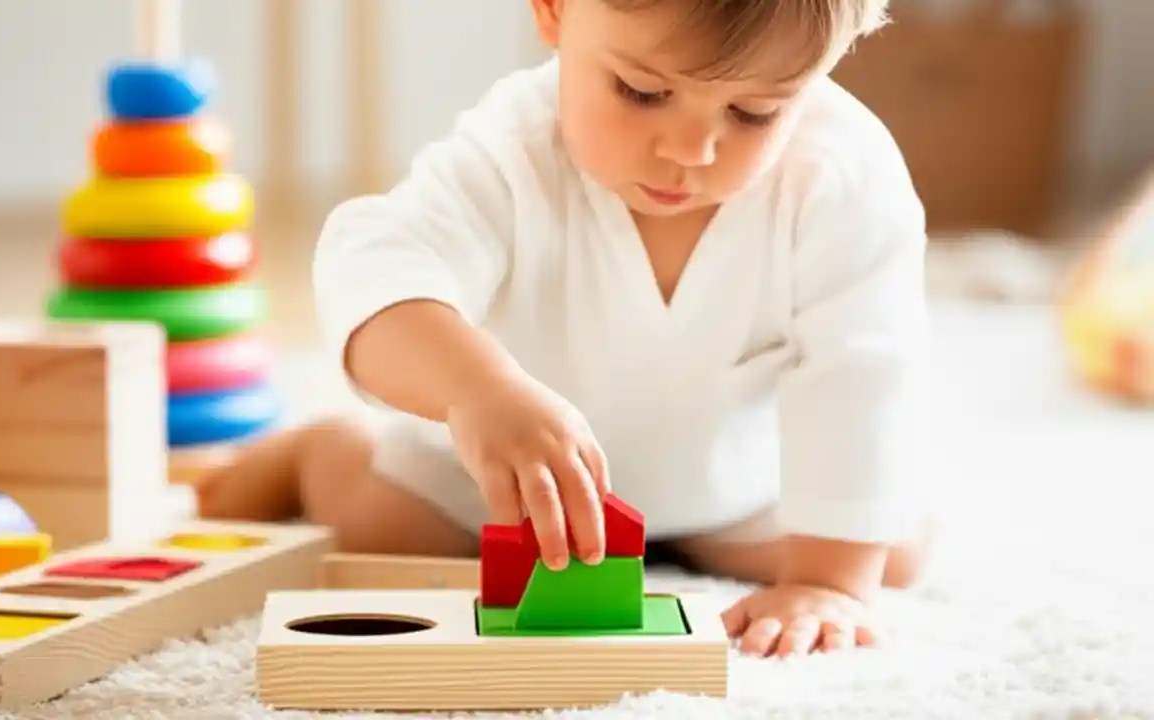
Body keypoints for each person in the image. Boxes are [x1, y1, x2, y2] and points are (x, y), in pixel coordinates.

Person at [198, 0, 933, 658]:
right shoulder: (513, 147)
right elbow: (375, 261)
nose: (690, 150)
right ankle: (316, 453)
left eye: (755, 112)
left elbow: (863, 370)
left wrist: (827, 582)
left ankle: (713, 542)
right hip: (508, 487)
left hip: (723, 486)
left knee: (886, 549)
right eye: (644, 93)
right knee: (383, 527)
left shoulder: (842, 173)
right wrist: (474, 388)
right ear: (553, 11)